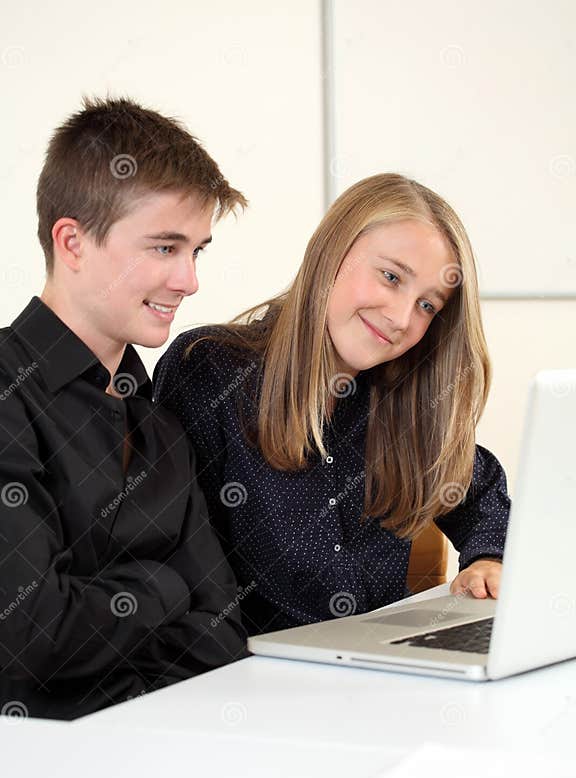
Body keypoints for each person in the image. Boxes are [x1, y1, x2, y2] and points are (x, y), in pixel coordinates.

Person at [153, 173, 510, 637]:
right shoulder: (209, 371)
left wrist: (488, 557)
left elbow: (480, 491)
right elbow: (172, 565)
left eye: (427, 305)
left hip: (378, 675)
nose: (402, 318)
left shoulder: (402, 403)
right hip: (243, 680)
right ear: (332, 253)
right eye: (390, 277)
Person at [0, 94, 249, 720]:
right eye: (165, 248)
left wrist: (109, 607)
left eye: (197, 251)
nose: (189, 281)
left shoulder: (158, 417)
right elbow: (30, 636)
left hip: (155, 748)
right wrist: (165, 585)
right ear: (73, 242)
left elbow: (222, 632)